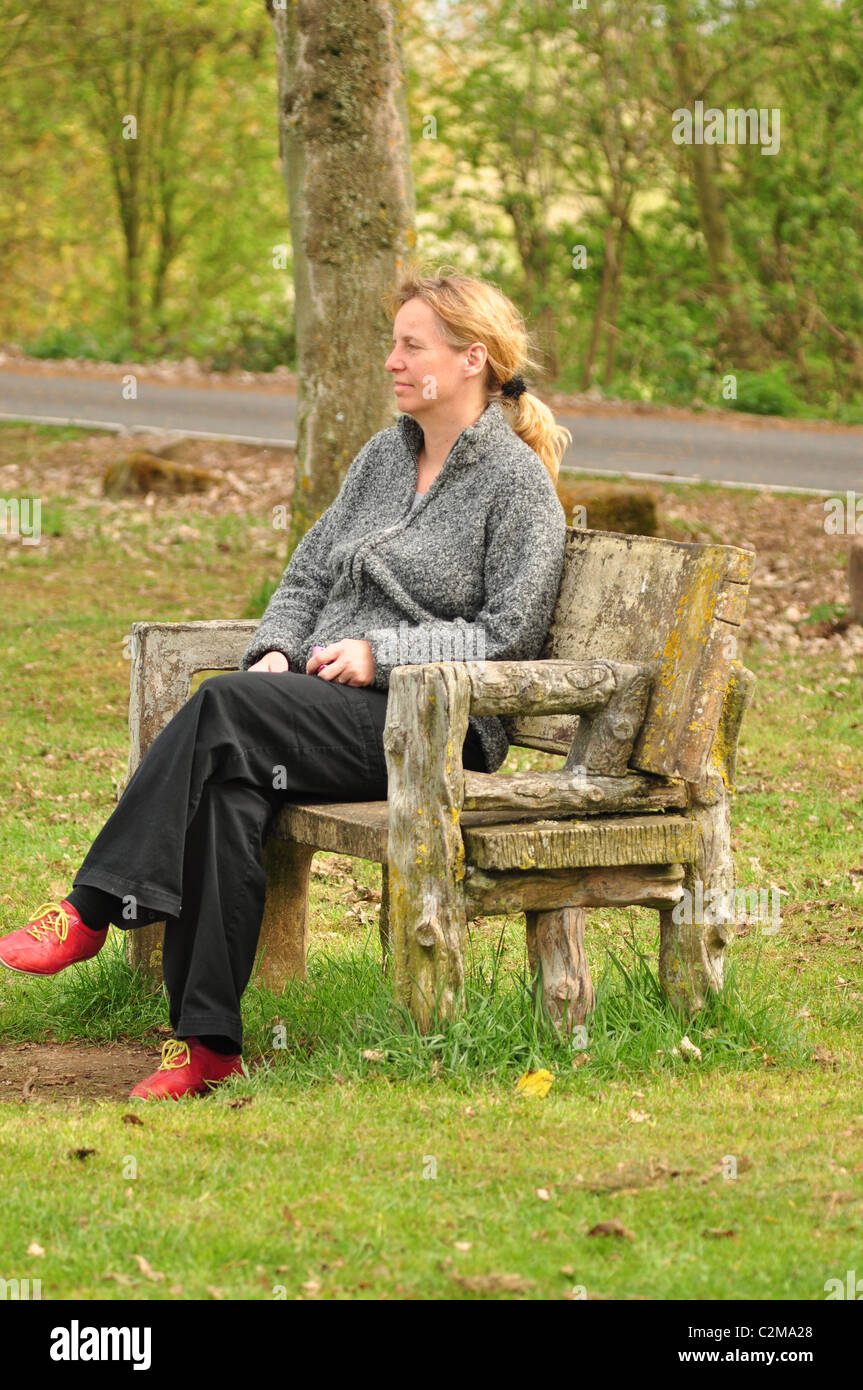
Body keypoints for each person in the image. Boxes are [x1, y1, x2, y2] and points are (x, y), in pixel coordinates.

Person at [0, 266, 571, 1100]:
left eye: (411, 346)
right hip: (323, 711)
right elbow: (307, 574)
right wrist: (274, 646)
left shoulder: (515, 484)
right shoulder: (384, 456)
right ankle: (207, 1046)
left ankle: (93, 906)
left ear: (470, 359)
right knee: (229, 788)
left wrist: (383, 652)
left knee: (220, 707)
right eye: (393, 343)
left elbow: (507, 636)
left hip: (433, 730)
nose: (391, 361)